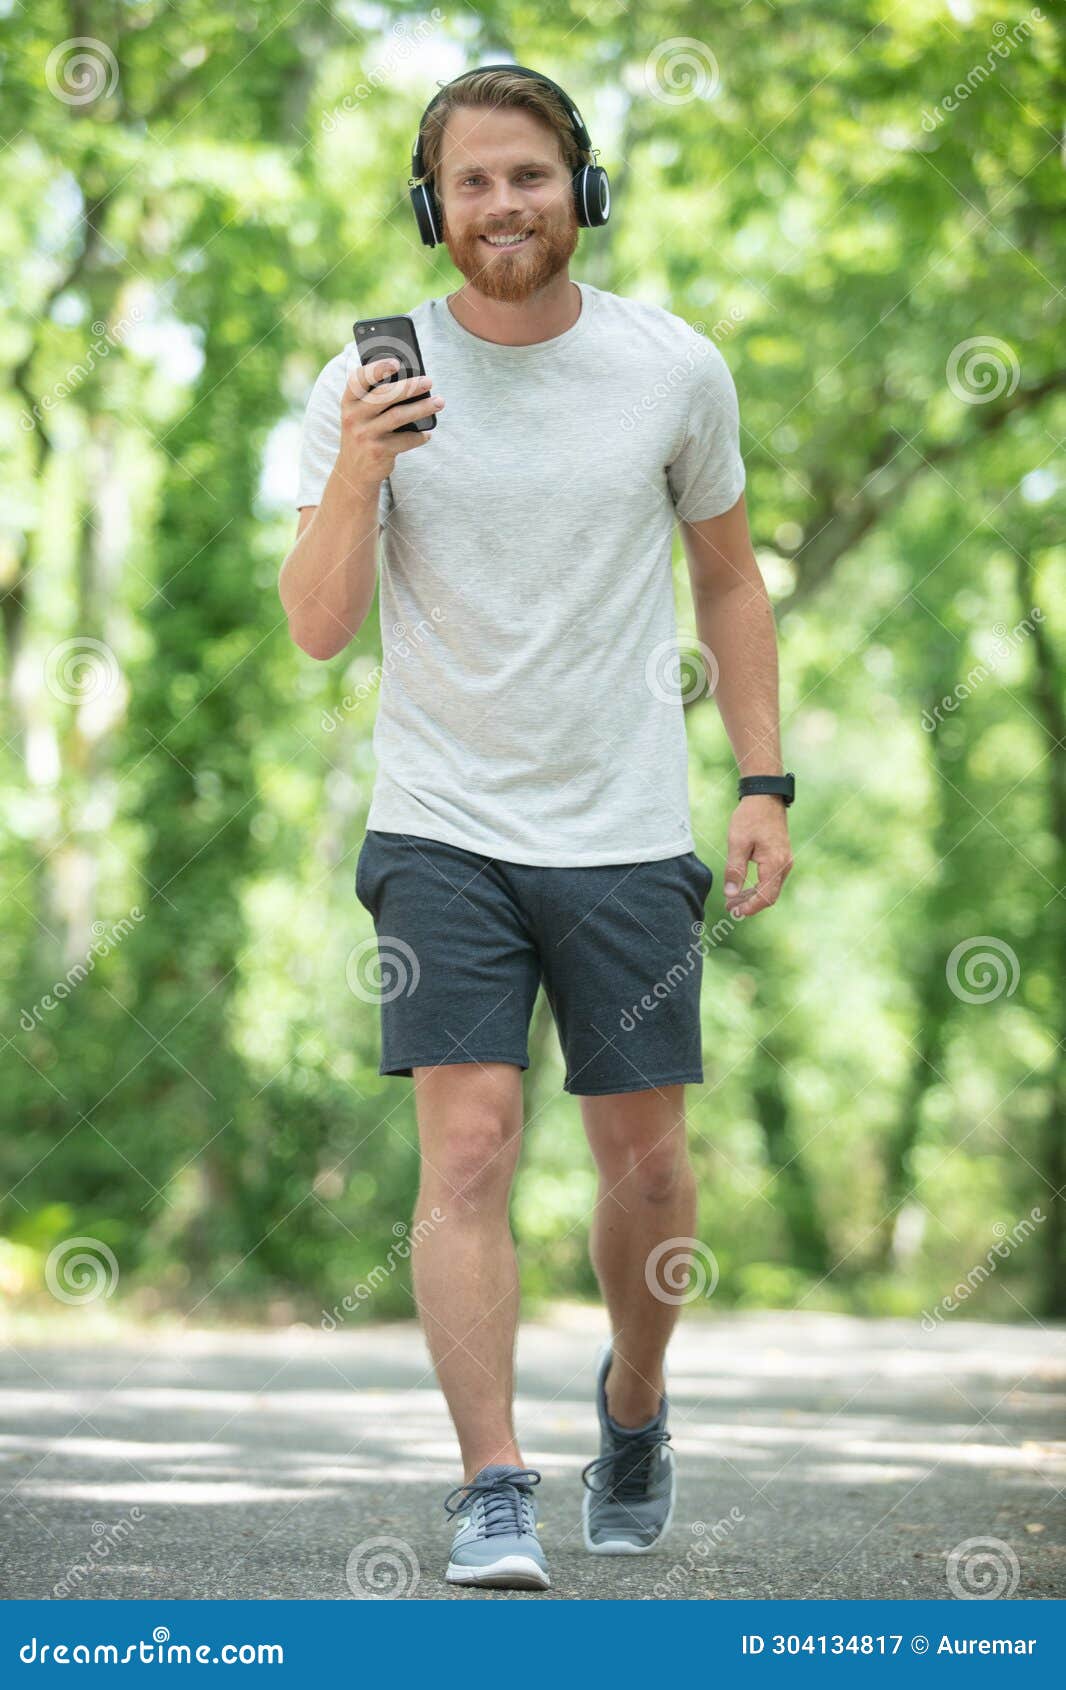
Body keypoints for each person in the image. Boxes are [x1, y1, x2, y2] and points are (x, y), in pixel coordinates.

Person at [280, 64, 794, 1592]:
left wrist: (761, 781)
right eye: (472, 180)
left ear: (582, 187)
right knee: (469, 1144)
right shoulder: (363, 383)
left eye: (529, 174)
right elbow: (317, 626)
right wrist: (362, 468)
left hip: (625, 823)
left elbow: (728, 580)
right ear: (429, 205)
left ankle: (631, 1402)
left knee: (649, 1170)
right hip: (440, 822)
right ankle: (491, 1480)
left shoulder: (670, 368)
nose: (502, 203)